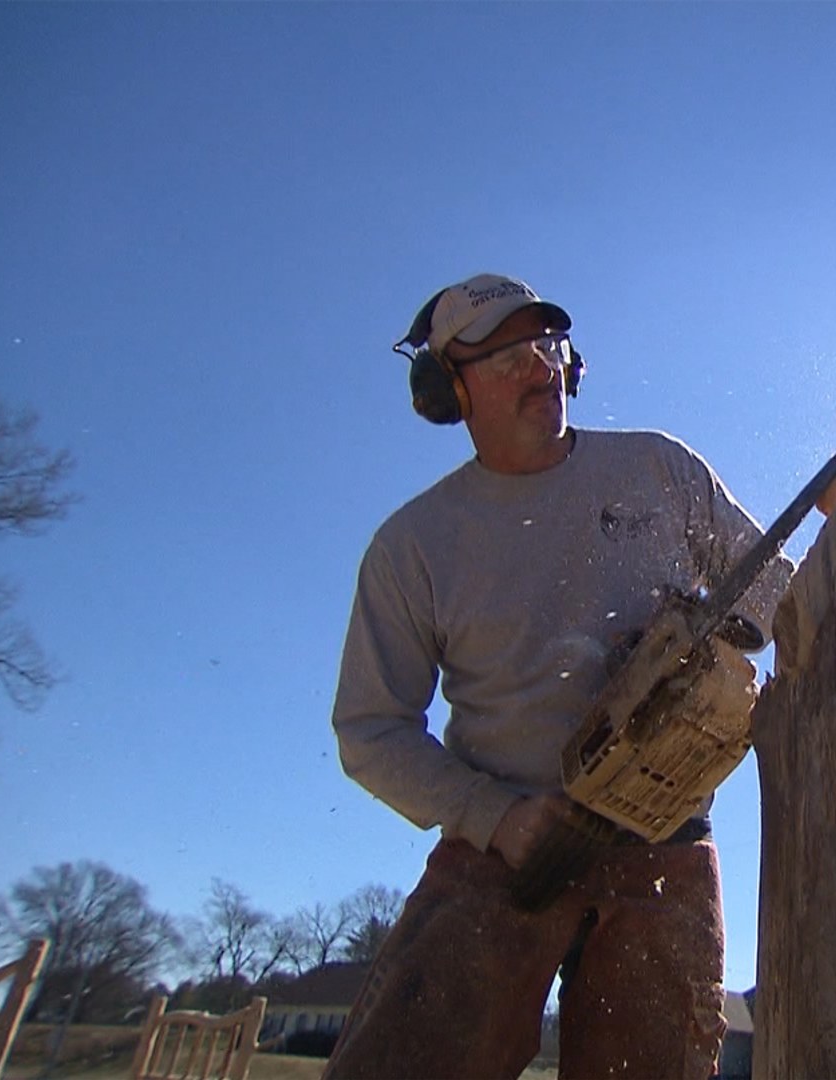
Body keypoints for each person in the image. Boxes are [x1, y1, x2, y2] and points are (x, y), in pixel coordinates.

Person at [325, 273, 788, 1080]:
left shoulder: (657, 469)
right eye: (503, 357)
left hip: (664, 843)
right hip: (502, 844)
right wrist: (494, 817)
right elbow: (370, 731)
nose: (536, 366)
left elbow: (786, 600)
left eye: (545, 345)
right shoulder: (415, 546)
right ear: (450, 391)